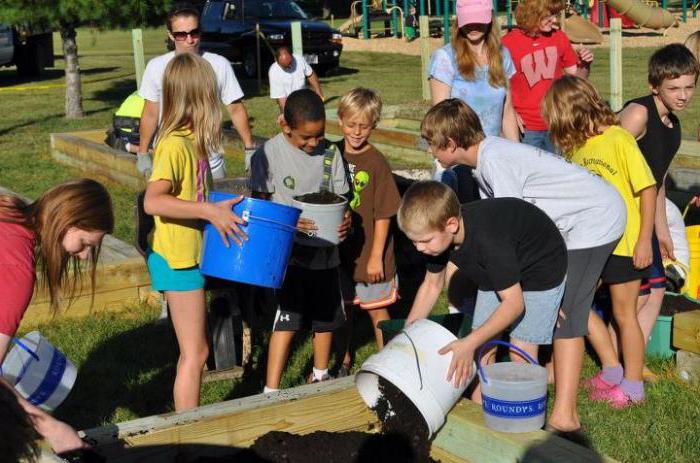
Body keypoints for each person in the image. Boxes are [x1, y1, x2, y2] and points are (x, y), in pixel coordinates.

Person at [419, 98, 625, 434]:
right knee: (559, 306)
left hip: (593, 218)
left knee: (568, 312)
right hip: (568, 226)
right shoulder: (486, 161)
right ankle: (545, 377)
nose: (431, 152)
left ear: (451, 144)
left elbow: (512, 234)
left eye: (432, 144)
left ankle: (565, 416)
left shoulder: (496, 163)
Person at [544, 75, 657, 408]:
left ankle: (633, 386)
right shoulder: (576, 148)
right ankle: (610, 369)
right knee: (572, 303)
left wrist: (643, 241)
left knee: (624, 315)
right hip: (590, 244)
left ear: (570, 112)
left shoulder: (619, 138)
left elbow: (647, 189)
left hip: (625, 244)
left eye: (555, 116)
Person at [143, 53, 247, 411]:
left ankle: (188, 427)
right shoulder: (174, 144)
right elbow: (153, 202)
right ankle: (188, 434)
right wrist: (206, 211)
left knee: (196, 349)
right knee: (196, 352)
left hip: (188, 257)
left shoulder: (192, 142)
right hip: (176, 262)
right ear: (200, 98)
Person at [399, 182, 567, 395]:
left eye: (424, 241)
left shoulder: (489, 242)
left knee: (520, 352)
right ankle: (481, 412)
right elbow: (432, 285)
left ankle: (525, 413)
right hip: (498, 266)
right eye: (414, 242)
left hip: (541, 265)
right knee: (481, 349)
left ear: (451, 224)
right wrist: (407, 334)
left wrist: (468, 342)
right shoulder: (438, 242)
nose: (419, 248)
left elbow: (514, 304)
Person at [0, 178, 114, 454]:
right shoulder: (17, 274)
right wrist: (50, 427)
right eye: (85, 243)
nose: (85, 256)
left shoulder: (9, 215)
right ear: (68, 224)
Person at [250, 89, 350, 392]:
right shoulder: (267, 155)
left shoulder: (331, 154)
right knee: (287, 317)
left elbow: (341, 201)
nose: (314, 143)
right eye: (306, 138)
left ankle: (320, 375)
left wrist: (346, 220)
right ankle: (271, 389)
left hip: (325, 252)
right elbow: (261, 209)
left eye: (319, 135)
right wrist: (288, 226)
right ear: (285, 127)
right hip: (288, 254)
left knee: (325, 315)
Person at [618, 43, 698, 381]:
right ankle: (620, 358)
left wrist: (661, 230)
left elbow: (658, 178)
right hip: (621, 214)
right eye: (674, 89)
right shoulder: (639, 113)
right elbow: (608, 159)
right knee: (631, 293)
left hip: (647, 212)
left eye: (689, 87)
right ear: (655, 86)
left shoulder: (673, 126)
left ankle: (635, 356)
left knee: (657, 287)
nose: (683, 96)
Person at [137, 2, 256, 179]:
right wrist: (143, 152)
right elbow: (150, 113)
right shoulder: (156, 67)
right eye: (181, 35)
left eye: (194, 32)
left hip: (210, 161)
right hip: (170, 161)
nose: (189, 40)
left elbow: (235, 108)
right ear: (170, 35)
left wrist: (249, 148)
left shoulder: (219, 64)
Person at [334, 88, 401, 376]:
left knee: (376, 309)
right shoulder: (331, 152)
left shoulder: (377, 163)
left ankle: (389, 365)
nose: (357, 132)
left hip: (370, 251)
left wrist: (376, 257)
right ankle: (342, 358)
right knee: (343, 309)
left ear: (373, 125)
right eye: (352, 125)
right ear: (340, 121)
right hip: (340, 251)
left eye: (364, 126)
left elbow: (385, 212)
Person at [429, 0, 519, 202]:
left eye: (479, 20)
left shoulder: (503, 56)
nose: (473, 26)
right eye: (468, 20)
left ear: (490, 19)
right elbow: (440, 119)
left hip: (492, 157)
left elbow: (507, 112)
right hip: (458, 159)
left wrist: (516, 154)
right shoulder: (444, 58)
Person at [501, 0, 593, 152]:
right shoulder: (507, 44)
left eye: (555, 15)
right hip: (526, 128)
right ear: (532, 14)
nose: (555, 20)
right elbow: (496, 86)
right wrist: (510, 114)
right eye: (549, 16)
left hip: (558, 123)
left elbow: (577, 81)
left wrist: (584, 65)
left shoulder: (559, 37)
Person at [269, 46, 324, 115]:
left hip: (304, 99)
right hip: (289, 103)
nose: (288, 68)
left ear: (292, 56)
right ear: (276, 61)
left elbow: (310, 74)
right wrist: (285, 115)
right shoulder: (274, 72)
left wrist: (319, 93)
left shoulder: (299, 59)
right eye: (284, 66)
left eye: (289, 64)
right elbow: (281, 99)